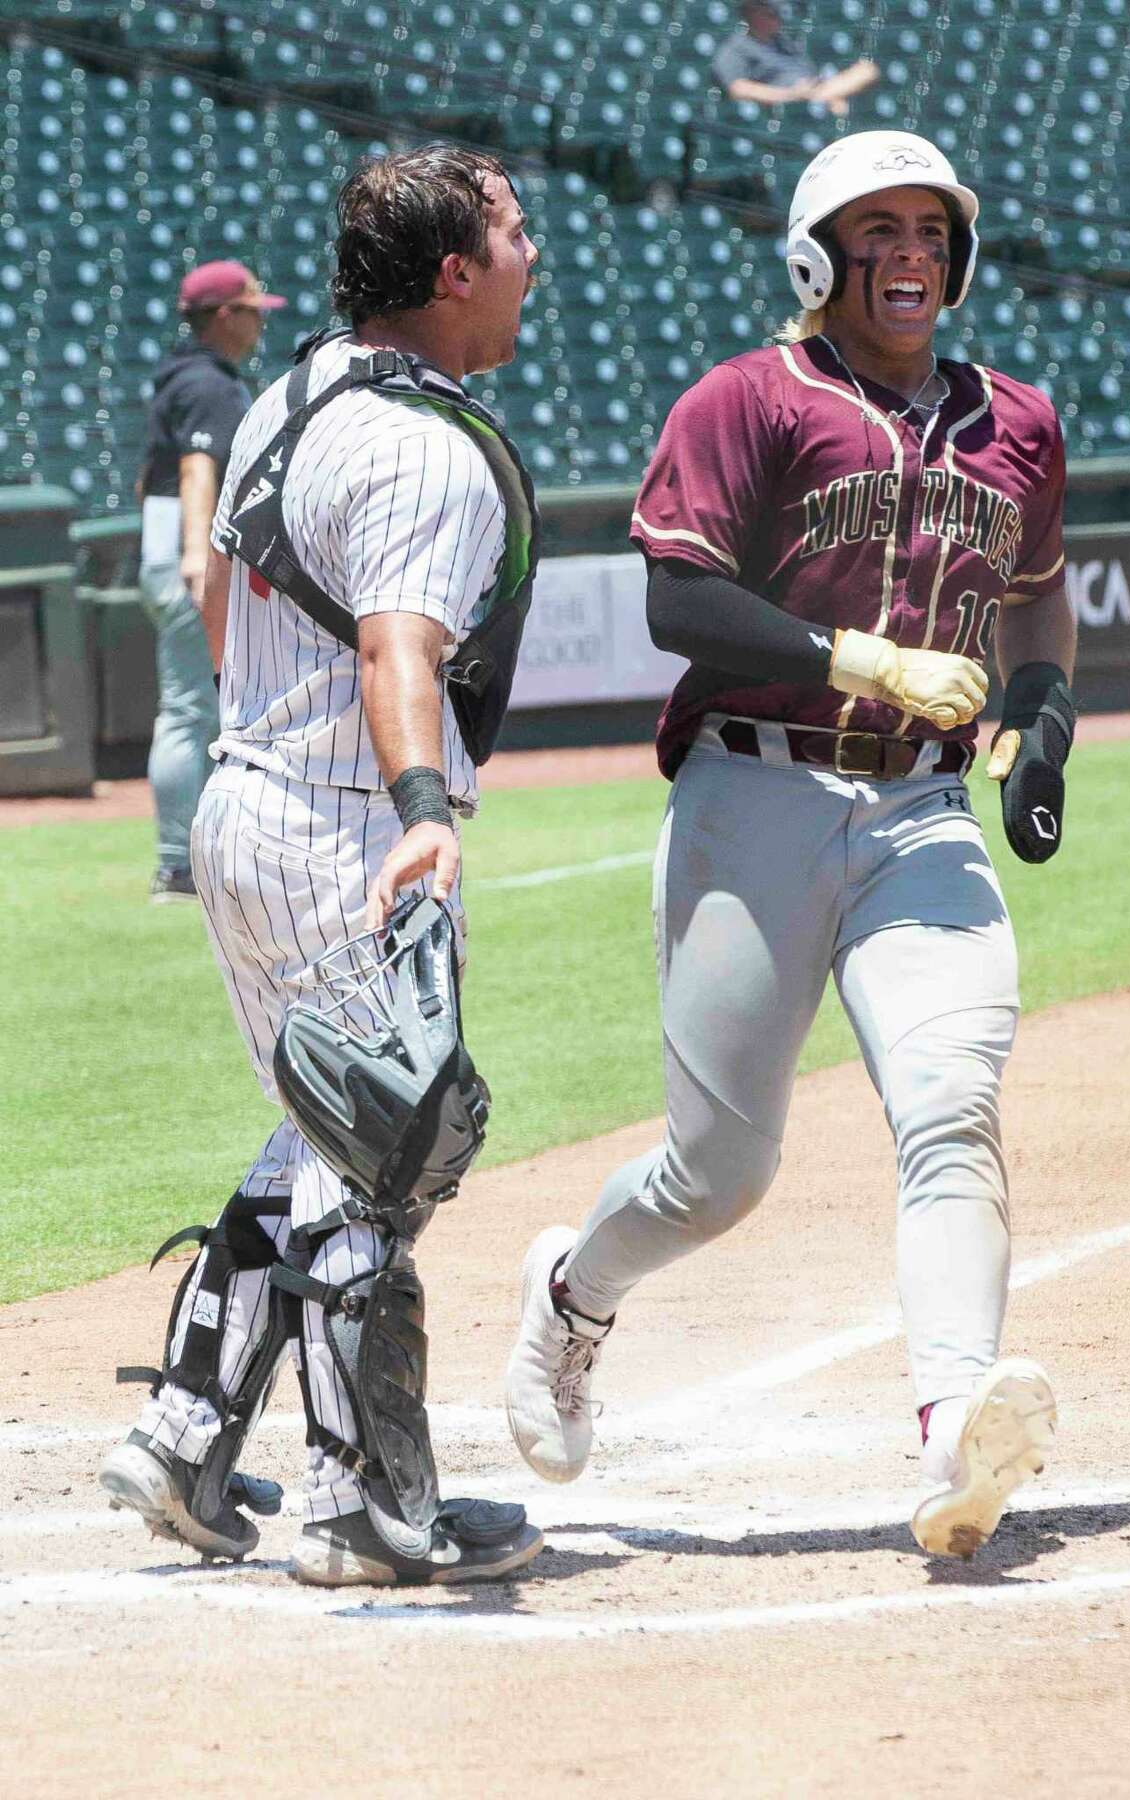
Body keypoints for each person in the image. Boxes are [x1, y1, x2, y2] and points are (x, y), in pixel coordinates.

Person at [506, 129, 1076, 1561]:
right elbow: (680, 603)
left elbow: (1040, 598)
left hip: (923, 813)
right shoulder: (746, 400)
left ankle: (956, 1427)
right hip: (751, 789)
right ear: (818, 255)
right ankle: (573, 1298)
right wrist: (869, 660)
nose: (911, 255)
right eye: (877, 230)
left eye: (931, 231)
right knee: (719, 1171)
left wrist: (1047, 729)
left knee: (950, 1105)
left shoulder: (1017, 420)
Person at [101, 144, 544, 1588]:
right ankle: (363, 1507)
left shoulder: (294, 390)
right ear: (454, 272)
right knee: (386, 1155)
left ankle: (182, 1435)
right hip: (347, 818)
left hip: (258, 801)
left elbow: (224, 590)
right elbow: (395, 644)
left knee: (330, 1136)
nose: (534, 254)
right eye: (513, 231)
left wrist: (269, 745)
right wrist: (417, 800)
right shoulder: (422, 442)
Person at [137, 260, 284, 901]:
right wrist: (198, 558)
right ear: (224, 314)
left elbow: (150, 482)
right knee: (194, 710)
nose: (259, 321)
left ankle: (186, 857)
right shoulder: (209, 385)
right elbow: (199, 471)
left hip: (160, 544)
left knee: (191, 709)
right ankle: (179, 862)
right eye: (252, 308)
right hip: (187, 554)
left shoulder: (177, 378)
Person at [712, 2, 879, 115]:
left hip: (812, 90)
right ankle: (828, 97)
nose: (778, 18)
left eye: (778, 14)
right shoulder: (735, 47)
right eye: (771, 14)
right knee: (838, 107)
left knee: (866, 69)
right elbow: (738, 89)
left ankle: (827, 96)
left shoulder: (783, 42)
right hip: (789, 105)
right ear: (753, 15)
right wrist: (789, 94)